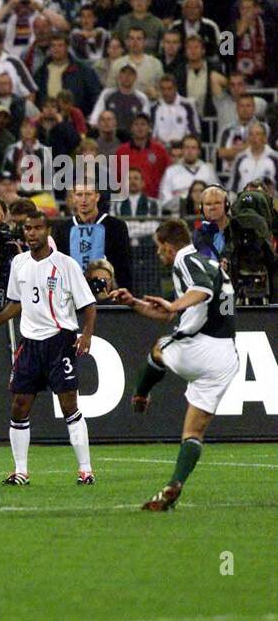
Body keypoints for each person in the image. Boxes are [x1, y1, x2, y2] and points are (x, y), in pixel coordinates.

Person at [110, 219, 240, 511]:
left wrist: (173, 305)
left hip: (202, 347)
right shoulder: (209, 263)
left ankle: (140, 394)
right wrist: (133, 302)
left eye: (159, 249)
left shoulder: (187, 259)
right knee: (193, 433)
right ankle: (174, 484)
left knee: (160, 348)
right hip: (226, 356)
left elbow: (202, 291)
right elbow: (172, 315)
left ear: (169, 246)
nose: (158, 255)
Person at [0, 199, 98, 487]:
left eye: (37, 228)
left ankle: (86, 470)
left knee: (69, 405)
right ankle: (21, 471)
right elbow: (16, 303)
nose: (31, 233)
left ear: (48, 231)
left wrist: (87, 334)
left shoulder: (65, 264)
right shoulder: (19, 263)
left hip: (59, 341)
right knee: (19, 404)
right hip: (29, 343)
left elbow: (89, 305)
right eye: (27, 229)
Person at [53, 180, 133, 289]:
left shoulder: (116, 226)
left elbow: (124, 264)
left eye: (88, 194)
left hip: (109, 293)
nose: (84, 199)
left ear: (97, 197)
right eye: (79, 195)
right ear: (73, 198)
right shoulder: (63, 229)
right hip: (73, 292)